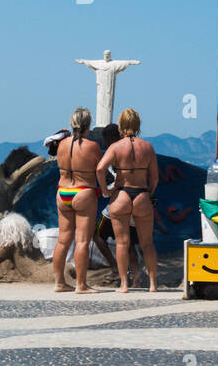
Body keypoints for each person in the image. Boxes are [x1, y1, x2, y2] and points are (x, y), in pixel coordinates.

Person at [97, 108, 159, 292]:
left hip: (121, 194)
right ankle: (153, 284)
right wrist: (149, 192)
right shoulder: (147, 147)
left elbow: (100, 169)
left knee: (122, 243)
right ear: (138, 125)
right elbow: (155, 177)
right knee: (147, 243)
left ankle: (124, 284)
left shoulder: (115, 147)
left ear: (121, 126)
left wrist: (104, 192)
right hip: (141, 195)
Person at [53, 107, 102, 293]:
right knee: (82, 240)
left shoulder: (61, 145)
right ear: (88, 124)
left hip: (62, 191)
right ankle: (81, 285)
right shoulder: (92, 146)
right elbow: (101, 168)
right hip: (84, 191)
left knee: (63, 240)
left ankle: (59, 283)